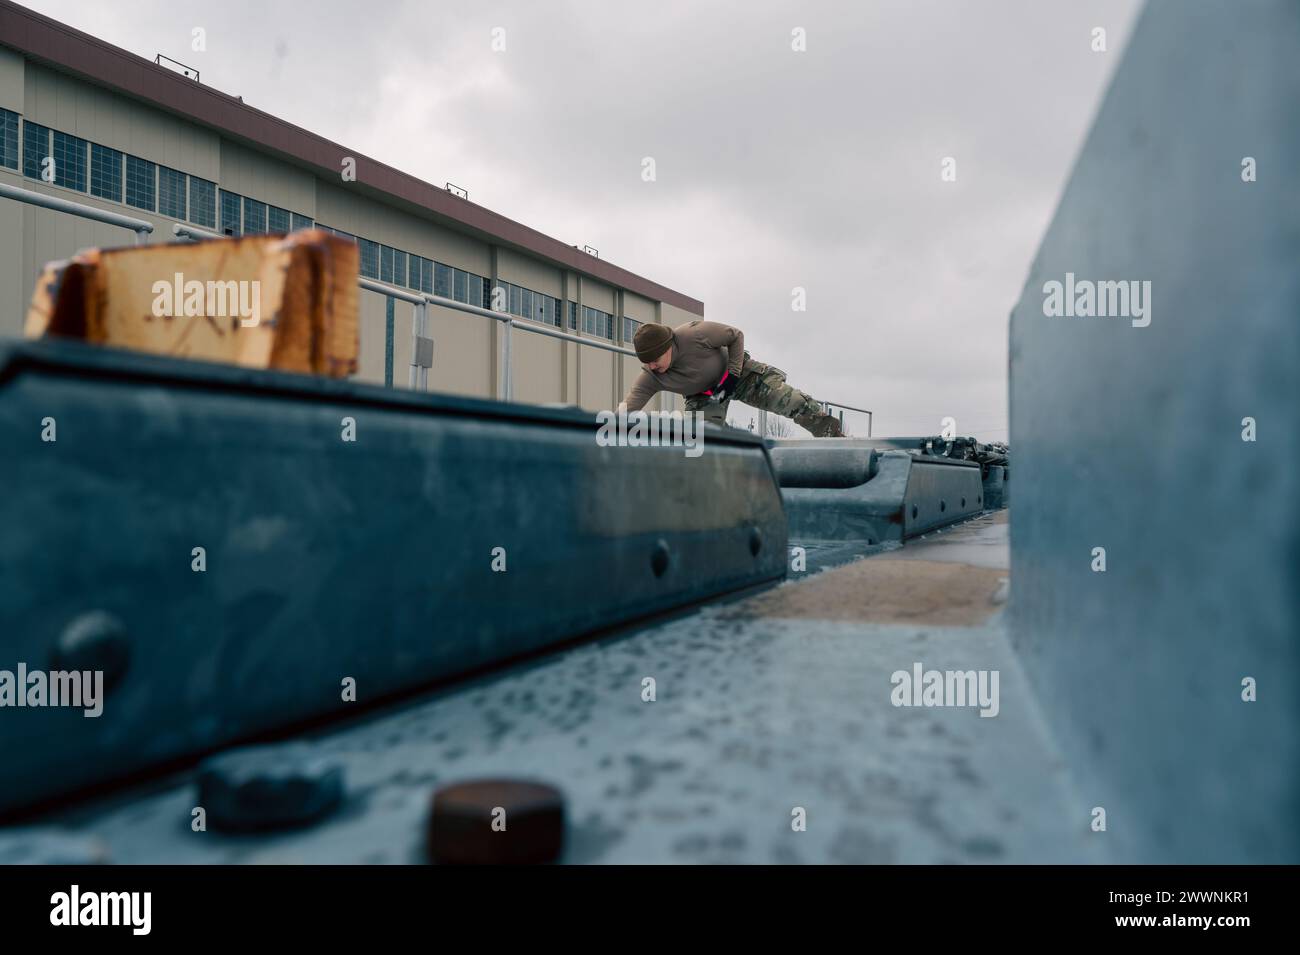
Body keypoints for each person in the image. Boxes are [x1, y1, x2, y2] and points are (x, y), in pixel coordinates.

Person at [622, 320, 844, 437]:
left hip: (738, 375)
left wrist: (732, 375)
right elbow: (625, 410)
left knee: (792, 402)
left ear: (668, 346)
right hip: (704, 396)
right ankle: (735, 459)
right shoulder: (651, 377)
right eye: (646, 362)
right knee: (699, 441)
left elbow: (735, 335)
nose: (652, 366)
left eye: (655, 359)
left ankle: (833, 436)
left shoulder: (695, 334)